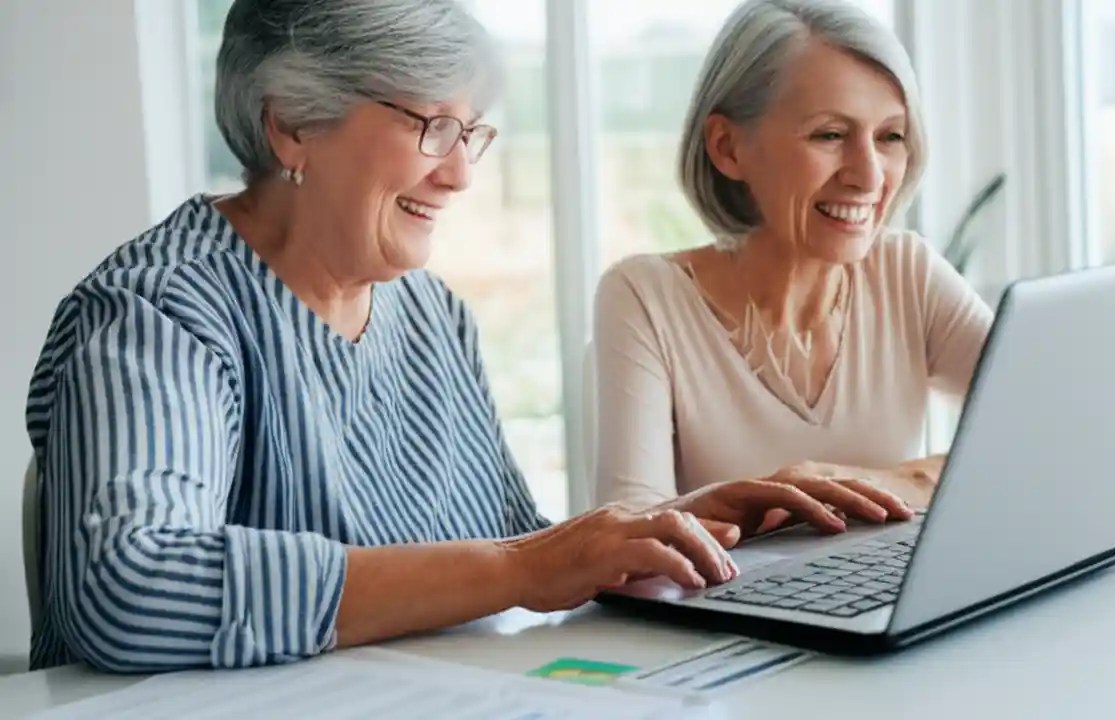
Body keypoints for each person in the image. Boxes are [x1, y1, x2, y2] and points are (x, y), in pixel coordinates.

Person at [25, 0, 913, 673]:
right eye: (429, 126)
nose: (457, 174)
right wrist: (529, 564)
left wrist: (673, 527)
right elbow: (131, 588)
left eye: (472, 132)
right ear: (291, 121)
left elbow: (507, 561)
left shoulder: (429, 315)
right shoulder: (158, 311)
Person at [593, 0, 994, 515]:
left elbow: (1053, 420)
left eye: (890, 136)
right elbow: (624, 533)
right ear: (728, 147)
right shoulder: (645, 296)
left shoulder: (906, 272)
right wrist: (813, 499)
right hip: (727, 594)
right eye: (830, 135)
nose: (870, 176)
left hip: (890, 594)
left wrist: (886, 482)